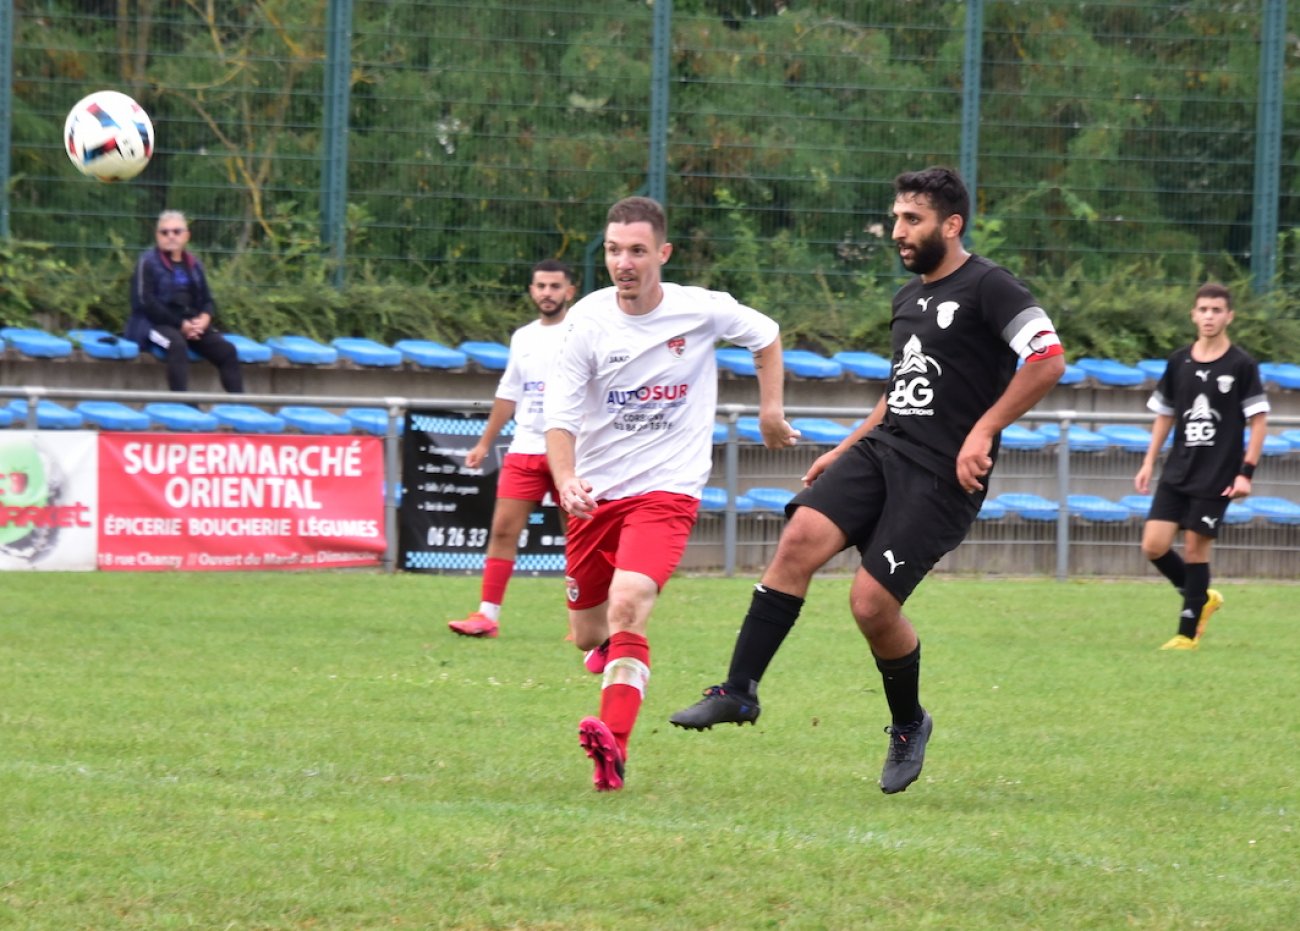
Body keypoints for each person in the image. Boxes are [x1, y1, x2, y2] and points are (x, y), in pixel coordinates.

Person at [669, 166, 1066, 795]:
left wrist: (983, 430)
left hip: (940, 473)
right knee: (798, 537)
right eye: (898, 218)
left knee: (870, 604)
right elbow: (900, 390)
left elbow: (1047, 359)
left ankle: (909, 722)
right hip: (882, 449)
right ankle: (738, 691)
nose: (898, 232)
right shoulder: (908, 298)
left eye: (913, 220)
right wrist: (844, 448)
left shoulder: (991, 286)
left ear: (951, 224)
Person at [545, 195, 797, 792]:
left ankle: (613, 752)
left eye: (636, 250)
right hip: (596, 495)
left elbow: (766, 336)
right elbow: (559, 417)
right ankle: (609, 656)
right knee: (589, 633)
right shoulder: (585, 322)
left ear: (663, 253)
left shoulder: (700, 310)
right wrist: (564, 479)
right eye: (612, 251)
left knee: (628, 602)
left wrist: (770, 409)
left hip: (668, 491)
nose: (623, 263)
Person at [1134, 283, 1270, 651]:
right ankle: (1201, 597)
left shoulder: (1241, 365)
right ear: (1194, 314)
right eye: (1204, 309)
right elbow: (1165, 415)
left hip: (1219, 476)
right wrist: (1149, 461)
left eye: (1216, 310)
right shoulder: (1179, 361)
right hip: (1177, 471)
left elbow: (1258, 422)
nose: (1209, 316)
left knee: (1196, 548)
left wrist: (1246, 472)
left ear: (1229, 316)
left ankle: (1186, 634)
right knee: (1154, 546)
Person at [449, 259, 578, 638]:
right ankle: (487, 616)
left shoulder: (583, 331)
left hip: (570, 449)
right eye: (540, 286)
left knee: (578, 534)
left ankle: (582, 621)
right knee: (503, 529)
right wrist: (485, 442)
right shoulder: (523, 337)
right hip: (525, 447)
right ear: (532, 290)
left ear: (570, 292)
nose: (547, 293)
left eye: (555, 287)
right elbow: (510, 392)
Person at [127, 210, 243, 394]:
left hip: (191, 324)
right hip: (153, 325)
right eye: (164, 232)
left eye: (176, 231)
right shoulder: (147, 262)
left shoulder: (194, 264)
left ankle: (241, 407)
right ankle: (181, 402)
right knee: (177, 345)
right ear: (157, 236)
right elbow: (146, 302)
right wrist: (180, 325)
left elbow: (207, 299)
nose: (170, 236)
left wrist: (204, 318)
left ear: (186, 235)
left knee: (227, 351)